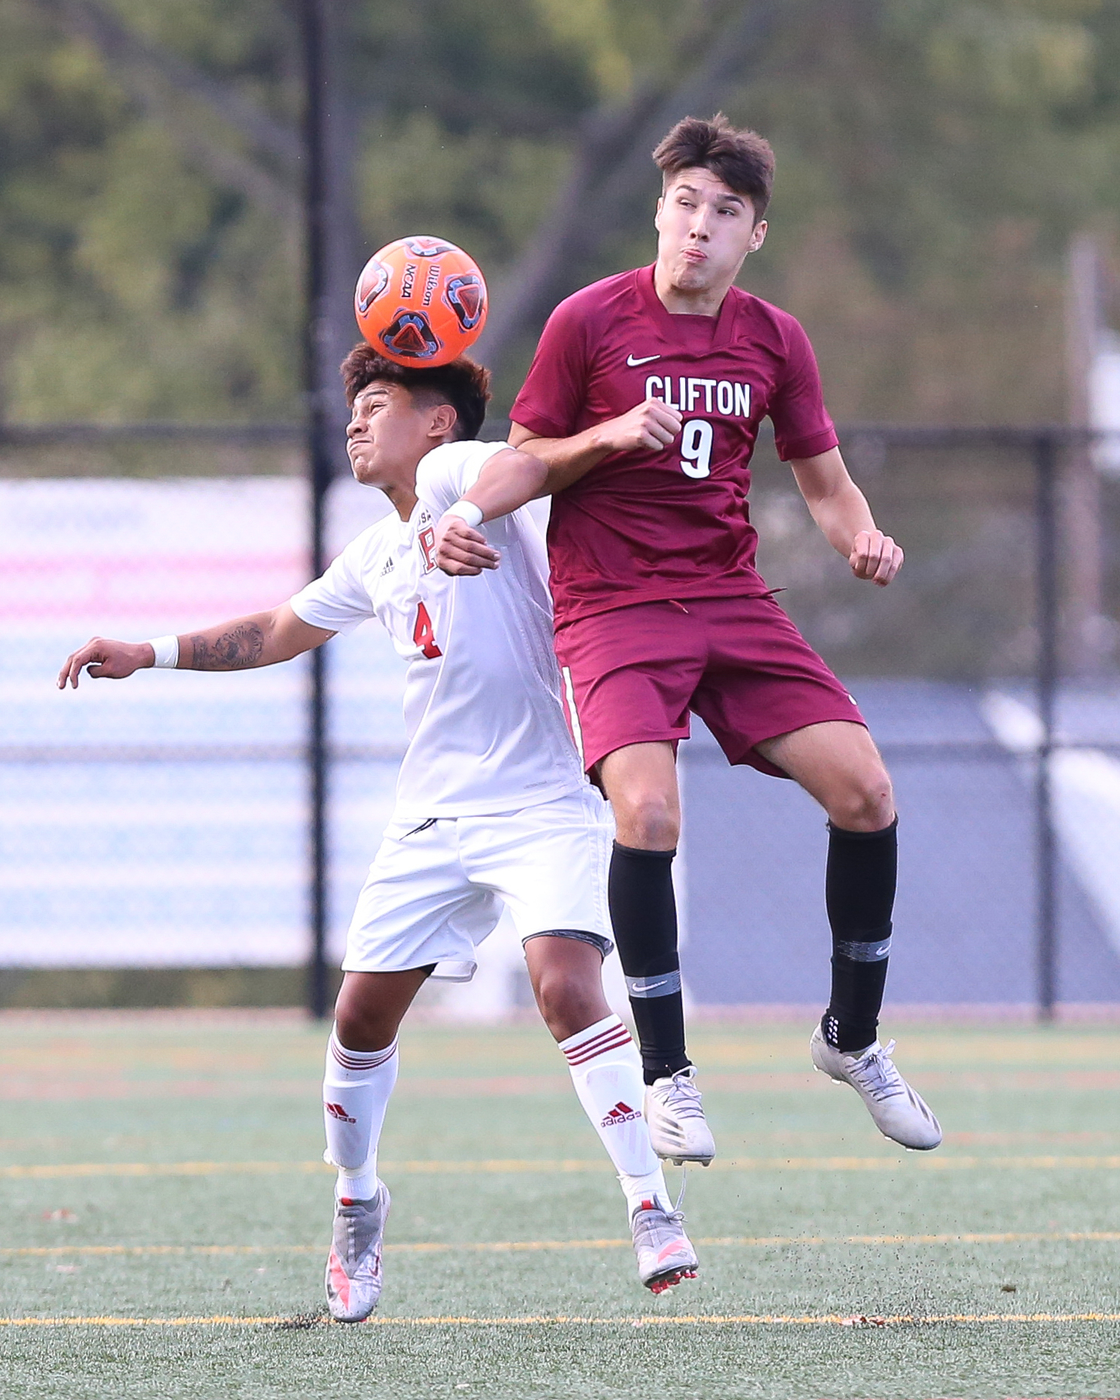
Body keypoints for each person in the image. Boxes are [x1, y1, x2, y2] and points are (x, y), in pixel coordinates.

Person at [57, 347, 699, 1321]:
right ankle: (357, 1198)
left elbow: (520, 468)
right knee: (358, 1020)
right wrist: (147, 652)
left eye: (377, 403)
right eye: (352, 407)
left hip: (538, 803)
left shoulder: (456, 477)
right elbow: (278, 629)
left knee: (566, 982)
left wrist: (597, 439)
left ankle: (650, 1204)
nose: (355, 423)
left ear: (436, 423)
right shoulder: (378, 548)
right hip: (432, 814)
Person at [485, 112, 941, 1163]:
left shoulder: (775, 338)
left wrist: (861, 538)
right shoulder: (586, 322)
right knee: (646, 812)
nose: (699, 226)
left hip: (729, 599)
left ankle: (852, 1038)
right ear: (658, 210)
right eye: (685, 203)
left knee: (866, 790)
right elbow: (516, 466)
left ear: (753, 234)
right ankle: (669, 1075)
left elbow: (823, 484)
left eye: (723, 212)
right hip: (611, 605)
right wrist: (582, 446)